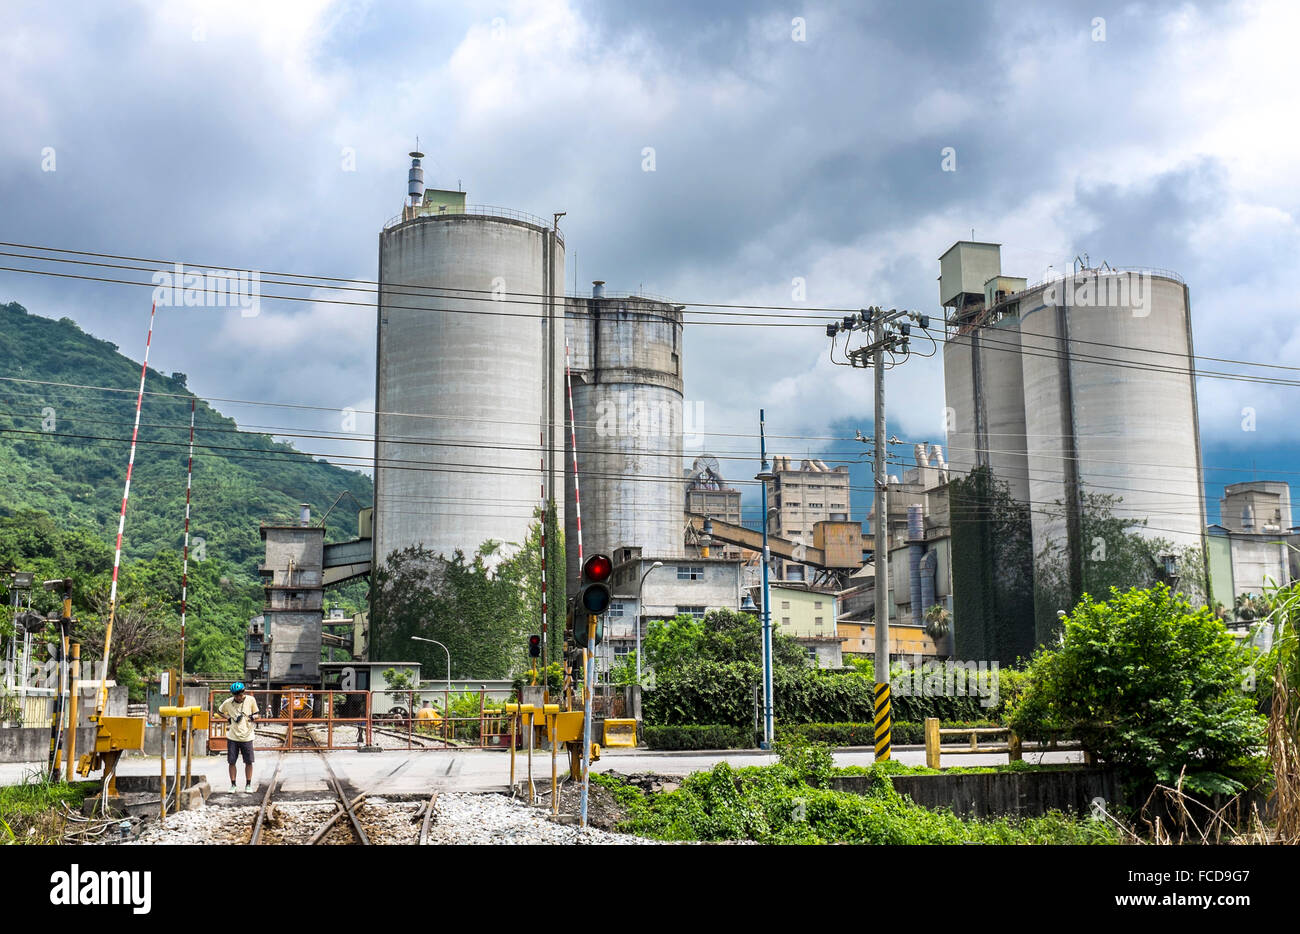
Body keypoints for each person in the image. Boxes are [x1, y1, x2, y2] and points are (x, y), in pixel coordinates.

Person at [218, 682, 259, 793]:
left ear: (243, 692)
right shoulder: (228, 702)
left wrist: (252, 717)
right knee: (231, 762)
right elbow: (219, 711)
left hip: (247, 736)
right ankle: (233, 784)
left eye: (240, 695)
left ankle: (248, 784)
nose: (238, 697)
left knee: (249, 762)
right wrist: (228, 718)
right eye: (236, 695)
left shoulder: (251, 700)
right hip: (233, 737)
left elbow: (257, 714)